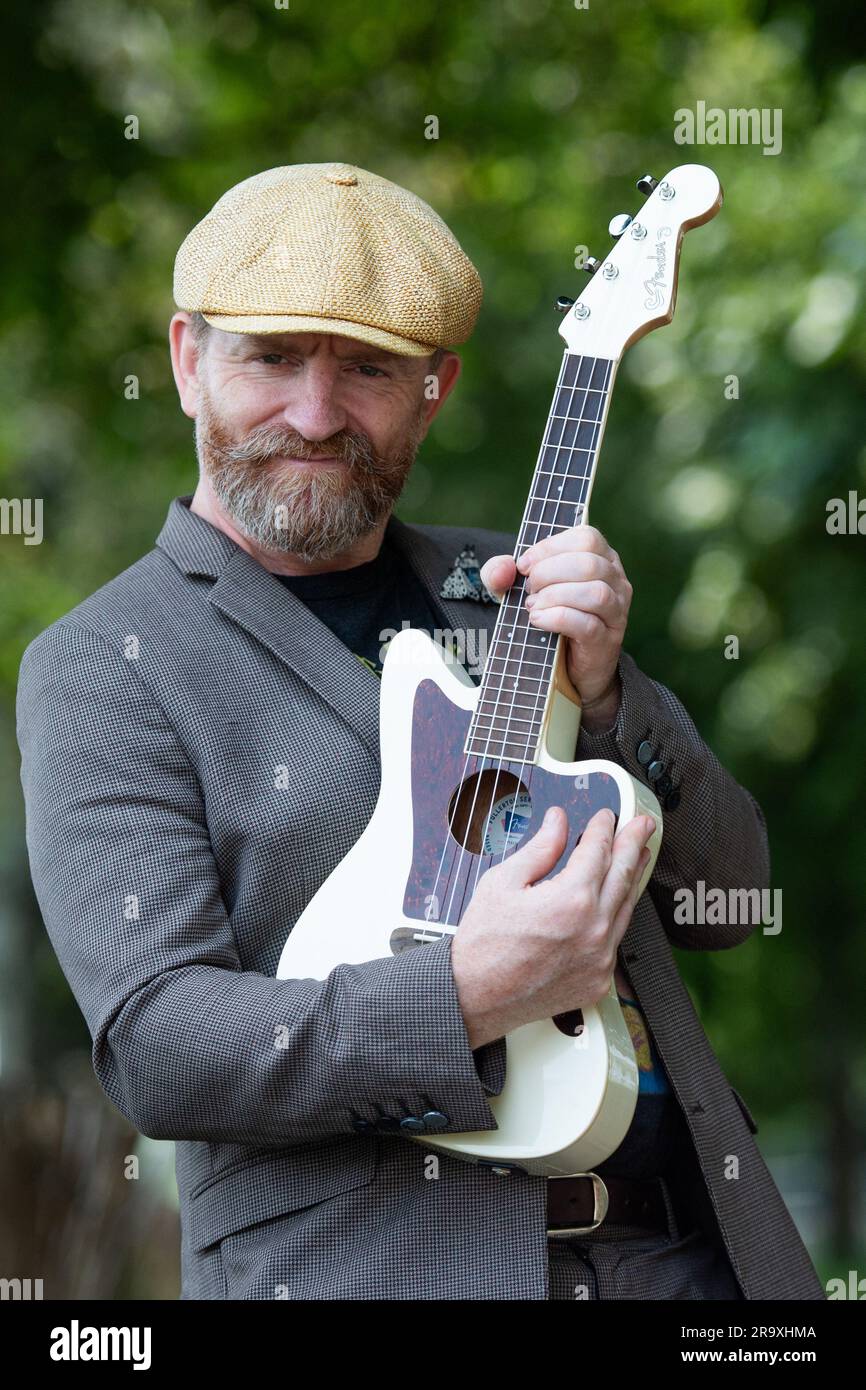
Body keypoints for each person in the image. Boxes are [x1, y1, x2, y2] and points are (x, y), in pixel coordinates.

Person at [16, 162, 824, 1301]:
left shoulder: (508, 586)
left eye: (367, 370)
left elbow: (724, 898)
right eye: (273, 357)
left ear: (433, 389)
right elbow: (159, 1040)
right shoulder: (106, 664)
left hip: (692, 1262)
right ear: (189, 362)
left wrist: (608, 703)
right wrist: (465, 990)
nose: (314, 411)